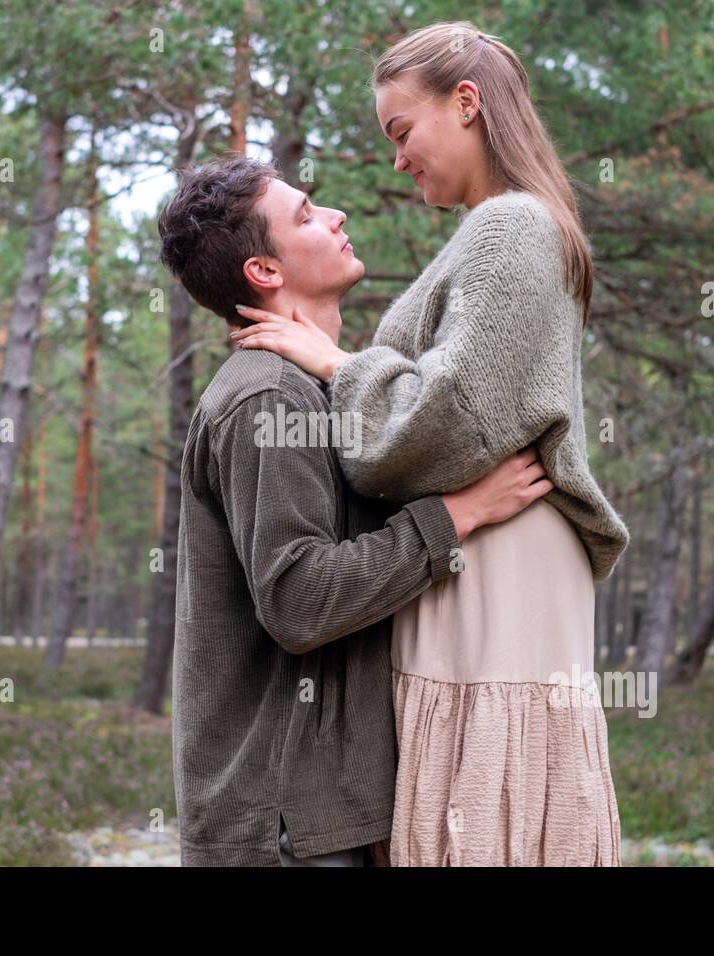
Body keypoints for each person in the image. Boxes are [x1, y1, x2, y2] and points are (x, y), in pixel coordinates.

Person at [231, 21, 631, 865]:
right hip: (481, 554)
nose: (398, 158)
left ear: (467, 103)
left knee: (485, 826)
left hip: (499, 561)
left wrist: (339, 364)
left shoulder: (512, 227)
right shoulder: (499, 228)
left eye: (401, 131)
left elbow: (435, 429)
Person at [158, 155, 554, 866]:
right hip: (283, 827)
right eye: (306, 215)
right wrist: (455, 515)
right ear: (265, 272)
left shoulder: (308, 389)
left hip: (312, 817)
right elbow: (300, 600)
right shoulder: (268, 398)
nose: (335, 216)